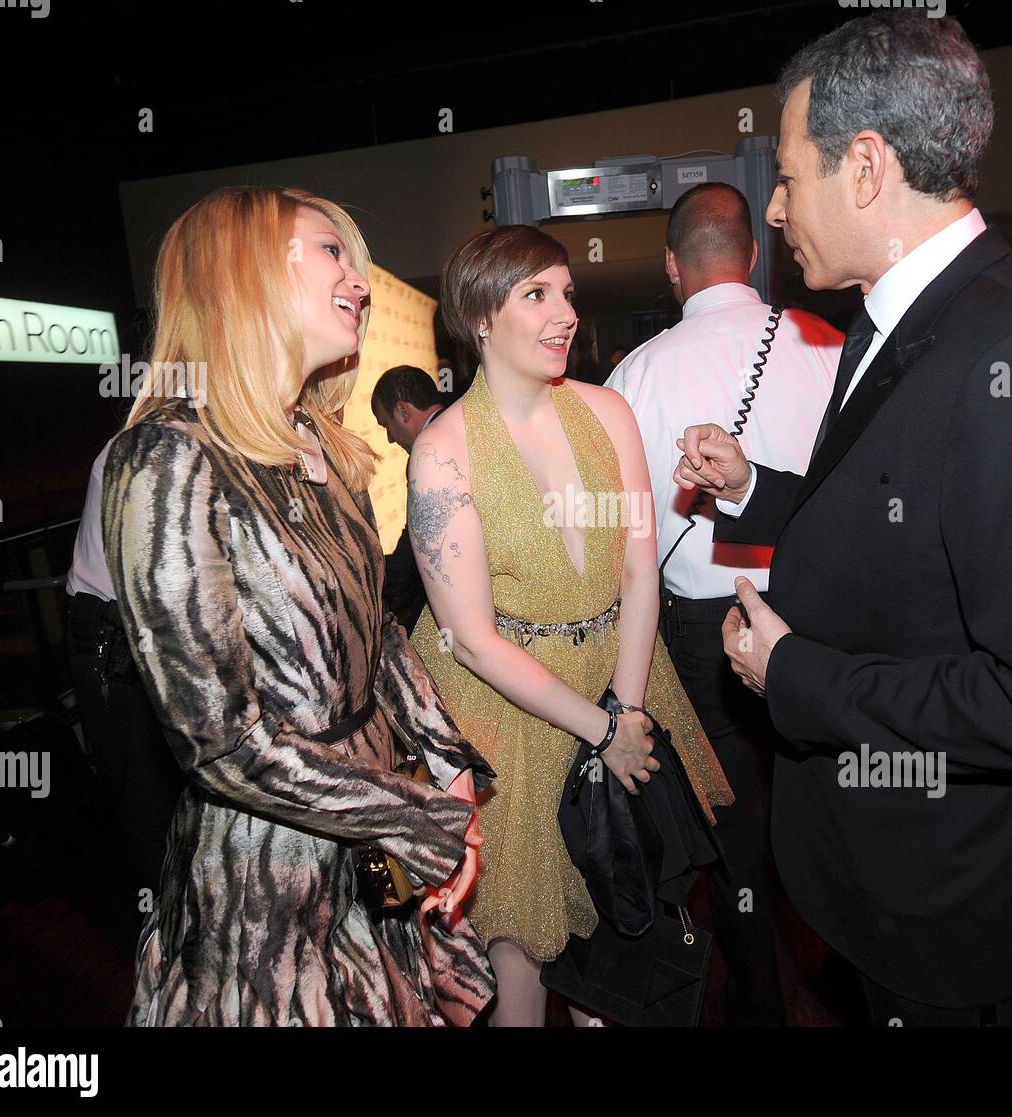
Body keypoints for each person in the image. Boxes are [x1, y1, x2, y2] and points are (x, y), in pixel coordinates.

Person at [674, 12, 1012, 1026]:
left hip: (948, 909)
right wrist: (755, 485)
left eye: (792, 176)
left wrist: (792, 674)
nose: (778, 205)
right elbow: (904, 522)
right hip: (888, 882)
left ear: (869, 168)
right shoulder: (905, 316)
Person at [102, 186, 495, 1026]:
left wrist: (448, 761)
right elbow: (222, 742)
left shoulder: (324, 443)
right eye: (332, 251)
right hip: (268, 870)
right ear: (244, 270)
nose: (358, 276)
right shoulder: (168, 457)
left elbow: (378, 632)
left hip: (372, 827)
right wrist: (418, 814)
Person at [405, 224, 733, 1026]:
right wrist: (599, 728)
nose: (564, 314)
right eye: (536, 295)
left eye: (567, 293)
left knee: (620, 919)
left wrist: (625, 709)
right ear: (481, 317)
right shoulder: (443, 454)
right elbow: (473, 638)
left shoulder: (607, 410)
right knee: (523, 948)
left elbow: (636, 566)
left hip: (622, 670)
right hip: (505, 710)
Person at [607, 181, 841, 1026]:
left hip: (707, 632)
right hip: (827, 616)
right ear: (754, 253)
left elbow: (622, 534)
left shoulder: (634, 373)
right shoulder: (828, 345)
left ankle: (758, 1002)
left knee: (733, 830)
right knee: (840, 807)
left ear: (674, 266)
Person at [66, 438, 185, 897]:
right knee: (146, 801)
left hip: (130, 626)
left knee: (165, 792)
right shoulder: (147, 451)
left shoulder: (168, 444)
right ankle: (173, 940)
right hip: (109, 634)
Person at [372, 365, 448, 635]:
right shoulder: (463, 419)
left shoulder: (426, 452)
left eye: (386, 425)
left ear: (403, 411)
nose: (391, 438)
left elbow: (416, 541)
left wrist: (379, 594)